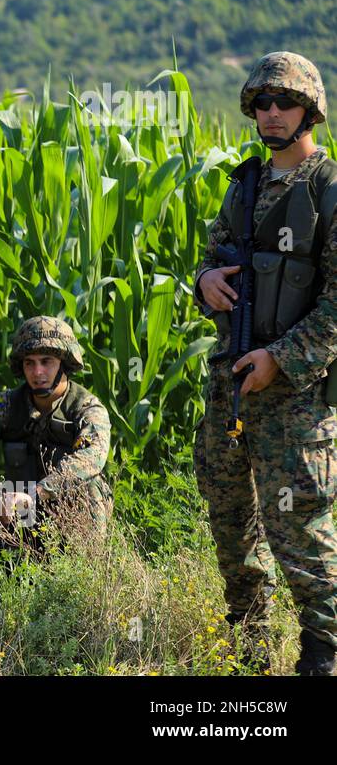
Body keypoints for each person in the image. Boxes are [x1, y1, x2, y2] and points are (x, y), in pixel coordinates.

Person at [194, 51, 337, 675]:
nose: (273, 113)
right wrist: (205, 283)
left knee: (300, 534)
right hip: (232, 387)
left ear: (311, 110)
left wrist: (279, 358)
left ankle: (322, 654)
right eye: (262, 103)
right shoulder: (244, 184)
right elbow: (210, 255)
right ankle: (248, 651)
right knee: (231, 526)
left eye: (285, 103)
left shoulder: (327, 190)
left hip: (297, 399)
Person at [0, 316, 111, 558]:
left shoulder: (86, 408)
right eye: (30, 363)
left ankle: (81, 573)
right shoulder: (7, 404)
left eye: (46, 361)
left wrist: (37, 493)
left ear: (64, 363)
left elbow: (92, 458)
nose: (37, 372)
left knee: (89, 487)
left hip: (60, 509)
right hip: (14, 508)